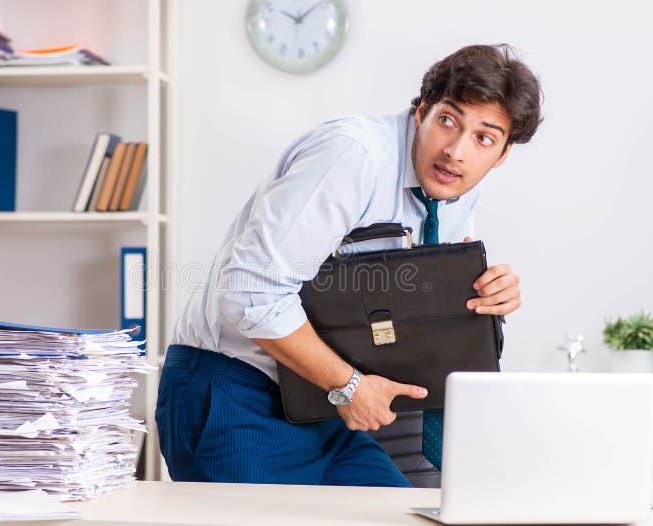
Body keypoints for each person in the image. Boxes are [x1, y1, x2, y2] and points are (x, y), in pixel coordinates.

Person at [156, 44, 543, 486]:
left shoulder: (455, 186)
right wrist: (350, 386)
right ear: (421, 112)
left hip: (325, 400)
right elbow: (249, 292)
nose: (456, 150)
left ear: (503, 152)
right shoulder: (350, 157)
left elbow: (428, 295)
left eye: (483, 138)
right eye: (448, 121)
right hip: (238, 390)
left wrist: (490, 294)